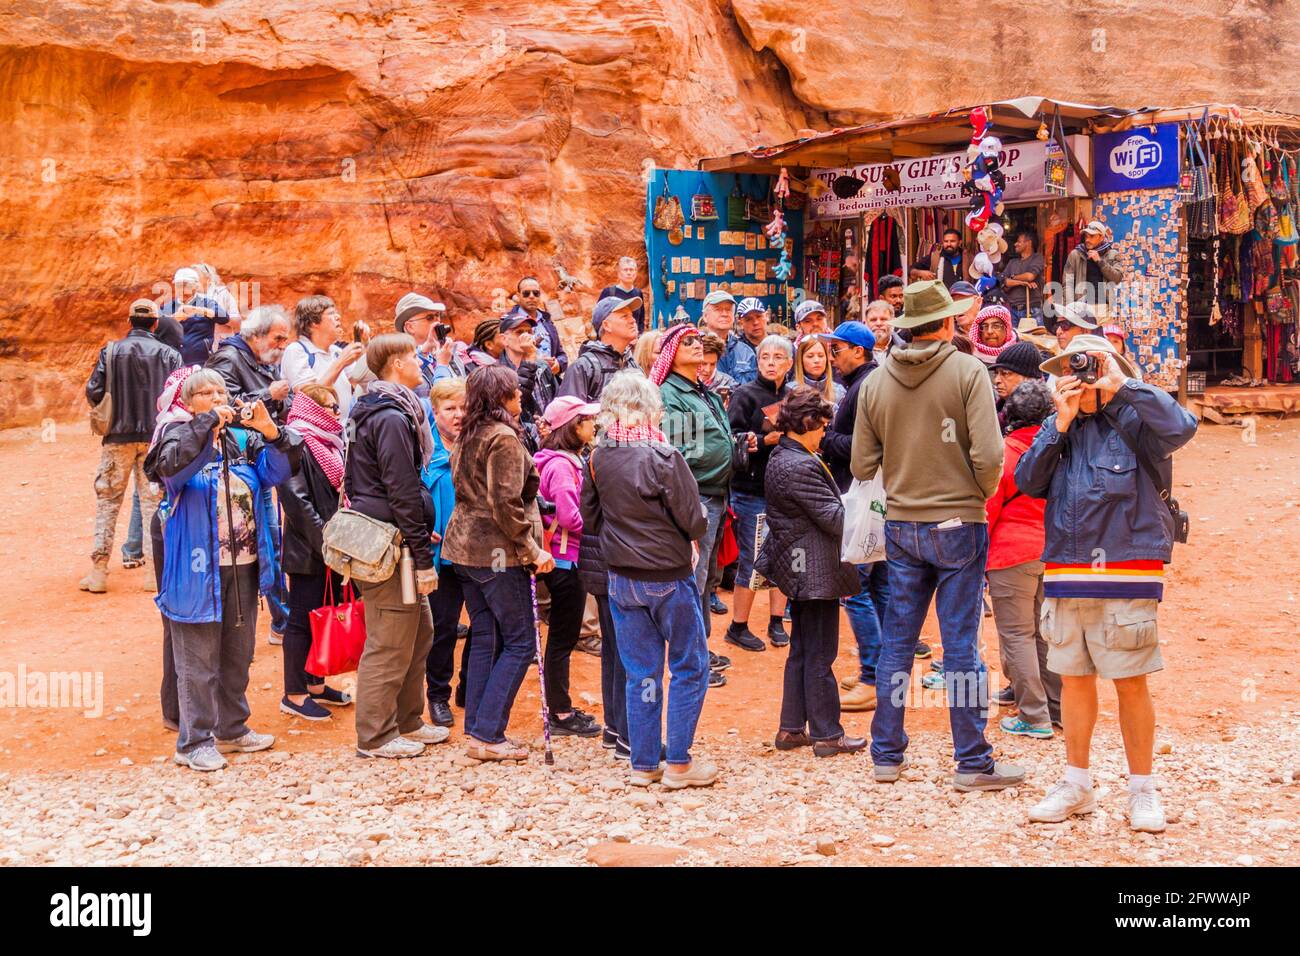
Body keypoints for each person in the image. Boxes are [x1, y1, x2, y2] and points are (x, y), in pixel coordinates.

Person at [1017, 334, 1197, 833]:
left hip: (1125, 567)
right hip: (1067, 571)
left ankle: (1142, 789)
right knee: (1074, 680)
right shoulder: (1060, 425)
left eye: (1090, 367)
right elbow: (1028, 481)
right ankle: (1077, 783)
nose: (1078, 376)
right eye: (1069, 368)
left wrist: (1123, 384)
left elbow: (1183, 426)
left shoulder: (1141, 418)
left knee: (1130, 680)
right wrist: (1061, 420)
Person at [852, 279, 1023, 791]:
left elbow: (862, 462)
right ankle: (971, 761)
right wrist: (974, 493)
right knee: (961, 647)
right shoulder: (969, 371)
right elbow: (990, 456)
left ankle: (886, 754)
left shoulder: (877, 382)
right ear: (947, 324)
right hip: (959, 523)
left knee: (897, 644)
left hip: (902, 524)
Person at [145, 369, 300, 771]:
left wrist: (270, 431)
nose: (216, 397)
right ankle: (193, 741)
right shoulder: (175, 436)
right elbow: (171, 468)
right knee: (197, 661)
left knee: (237, 653)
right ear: (187, 401)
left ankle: (232, 729)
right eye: (205, 393)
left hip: (243, 566)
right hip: (195, 571)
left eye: (221, 391)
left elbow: (281, 471)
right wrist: (207, 423)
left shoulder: (241, 442)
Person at [582, 370, 716, 788]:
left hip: (621, 577)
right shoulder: (662, 456)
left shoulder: (599, 456)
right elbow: (694, 521)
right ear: (649, 410)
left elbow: (590, 517)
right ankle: (678, 763)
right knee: (690, 665)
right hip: (668, 576)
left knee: (641, 671)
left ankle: (643, 763)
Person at [441, 365, 553, 762]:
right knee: (522, 642)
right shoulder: (503, 438)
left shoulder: (468, 433)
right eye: (514, 391)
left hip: (464, 549)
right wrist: (532, 549)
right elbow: (504, 502)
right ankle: (488, 734)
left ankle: (478, 728)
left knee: (487, 635)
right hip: (496, 552)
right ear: (499, 397)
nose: (520, 395)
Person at [345, 334, 449, 759]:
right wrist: (422, 553)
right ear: (394, 365)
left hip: (399, 536)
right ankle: (375, 736)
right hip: (392, 545)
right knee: (390, 638)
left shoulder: (382, 409)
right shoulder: (390, 417)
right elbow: (401, 489)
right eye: (412, 358)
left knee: (418, 631)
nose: (419, 364)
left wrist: (420, 529)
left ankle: (407, 720)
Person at [758, 385, 865, 757]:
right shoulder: (801, 463)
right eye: (820, 426)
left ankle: (791, 729)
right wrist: (866, 507)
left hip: (798, 565)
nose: (824, 433)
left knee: (803, 650)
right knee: (820, 653)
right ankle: (827, 734)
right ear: (806, 423)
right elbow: (836, 520)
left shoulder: (784, 456)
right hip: (816, 568)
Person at [817, 319, 896, 707]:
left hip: (863, 493)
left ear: (858, 351)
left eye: (837, 349)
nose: (832, 357)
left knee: (856, 586)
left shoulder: (866, 385)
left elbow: (864, 446)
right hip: (874, 494)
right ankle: (883, 672)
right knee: (878, 583)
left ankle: (873, 675)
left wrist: (825, 437)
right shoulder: (871, 382)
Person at [80, 299, 181, 593]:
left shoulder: (110, 351)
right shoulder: (170, 355)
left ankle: (99, 571)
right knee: (152, 504)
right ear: (155, 323)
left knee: (108, 502)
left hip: (117, 438)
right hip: (155, 439)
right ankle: (153, 574)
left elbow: (94, 390)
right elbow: (179, 397)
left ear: (130, 322)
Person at [656, 324, 734, 685]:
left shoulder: (704, 392)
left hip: (716, 494)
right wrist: (727, 461)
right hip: (697, 496)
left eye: (697, 340)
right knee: (692, 579)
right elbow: (678, 454)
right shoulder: (670, 394)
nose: (696, 345)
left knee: (704, 582)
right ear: (672, 353)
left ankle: (699, 650)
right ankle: (689, 663)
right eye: (687, 342)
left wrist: (737, 449)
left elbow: (714, 441)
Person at [984, 380, 1060, 738]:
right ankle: (1056, 707)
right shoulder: (1061, 449)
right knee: (1045, 633)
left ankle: (1033, 715)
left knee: (1017, 634)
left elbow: (990, 508)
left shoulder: (1005, 451)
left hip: (1011, 553)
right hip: (1053, 551)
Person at [276, 383, 354, 720]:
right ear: (313, 409)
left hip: (329, 545)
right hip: (310, 549)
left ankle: (316, 686)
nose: (337, 414)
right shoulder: (295, 444)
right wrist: (327, 543)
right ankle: (293, 694)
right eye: (331, 407)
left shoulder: (328, 443)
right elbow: (297, 502)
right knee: (301, 620)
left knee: (322, 614)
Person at [535, 396, 602, 737]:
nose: (593, 426)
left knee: (562, 636)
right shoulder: (562, 466)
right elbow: (568, 516)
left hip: (564, 558)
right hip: (564, 562)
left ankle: (559, 706)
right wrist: (601, 522)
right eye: (588, 420)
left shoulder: (565, 460)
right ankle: (559, 712)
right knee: (563, 637)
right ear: (573, 427)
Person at [725, 335, 794, 651]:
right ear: (756, 361)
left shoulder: (793, 396)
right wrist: (763, 440)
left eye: (778, 357)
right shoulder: (744, 394)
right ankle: (738, 626)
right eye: (765, 356)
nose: (770, 362)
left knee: (783, 557)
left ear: (789, 364)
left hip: (785, 489)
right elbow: (731, 439)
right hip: (752, 490)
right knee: (752, 560)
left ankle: (777, 621)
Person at [419, 378, 471, 727]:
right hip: (443, 555)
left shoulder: (478, 442)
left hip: (478, 550)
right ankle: (438, 695)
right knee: (443, 627)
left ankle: (471, 686)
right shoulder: (425, 451)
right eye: (450, 409)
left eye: (463, 407)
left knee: (485, 625)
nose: (458, 415)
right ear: (434, 412)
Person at [281, 295, 368, 420]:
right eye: (331, 313)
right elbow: (307, 399)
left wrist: (365, 345)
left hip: (343, 433)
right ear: (313, 322)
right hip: (313, 434)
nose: (338, 317)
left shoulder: (336, 351)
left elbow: (362, 381)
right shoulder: (296, 351)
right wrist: (341, 362)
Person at [205, 305, 292, 422]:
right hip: (241, 438)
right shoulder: (227, 359)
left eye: (285, 340)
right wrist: (269, 394)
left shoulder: (266, 357)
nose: (283, 346)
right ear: (256, 336)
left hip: (268, 434)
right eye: (278, 339)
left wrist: (279, 401)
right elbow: (221, 408)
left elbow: (288, 405)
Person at [498, 310, 558, 451]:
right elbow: (515, 402)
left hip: (550, 441)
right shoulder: (499, 374)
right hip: (522, 446)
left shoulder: (543, 367)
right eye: (519, 332)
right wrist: (530, 358)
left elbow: (556, 400)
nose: (526, 336)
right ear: (504, 339)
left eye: (529, 332)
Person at [559, 296, 640, 402]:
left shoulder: (632, 364)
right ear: (606, 325)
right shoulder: (584, 367)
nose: (633, 320)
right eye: (625, 316)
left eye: (632, 315)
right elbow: (566, 414)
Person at [160, 266, 233, 366]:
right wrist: (173, 319)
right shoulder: (167, 307)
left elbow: (224, 317)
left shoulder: (206, 303)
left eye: (186, 285)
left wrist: (197, 310)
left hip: (201, 362)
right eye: (178, 285)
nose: (181, 289)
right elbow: (156, 328)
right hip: (174, 362)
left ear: (195, 286)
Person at [395, 293, 461, 387]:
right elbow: (441, 397)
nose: (437, 321)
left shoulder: (446, 351)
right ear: (410, 327)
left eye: (437, 315)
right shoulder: (401, 362)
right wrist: (442, 364)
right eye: (429, 318)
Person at [1062, 220, 1123, 320]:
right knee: (1082, 336)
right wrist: (1070, 307)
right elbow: (1067, 283)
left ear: (1102, 237)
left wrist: (1100, 261)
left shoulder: (1112, 254)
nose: (1087, 239)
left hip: (1104, 308)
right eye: (1086, 236)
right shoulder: (1075, 254)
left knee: (1103, 336)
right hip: (1081, 307)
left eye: (1092, 236)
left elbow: (1117, 278)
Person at [506, 276, 566, 376]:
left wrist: (558, 365)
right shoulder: (508, 322)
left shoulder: (547, 321)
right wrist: (537, 362)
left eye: (536, 293)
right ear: (518, 295)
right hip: (522, 381)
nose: (532, 296)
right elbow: (504, 357)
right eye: (526, 293)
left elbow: (561, 354)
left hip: (549, 383)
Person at [1000, 230, 1046, 326]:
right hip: (1013, 310)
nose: (1015, 244)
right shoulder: (1012, 262)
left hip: (1031, 309)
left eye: (1019, 241)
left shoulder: (1037, 258)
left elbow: (1030, 276)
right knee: (1014, 340)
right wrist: (1021, 283)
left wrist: (1013, 278)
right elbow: (1004, 284)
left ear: (1029, 243)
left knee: (1033, 340)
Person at [719, 297, 768, 385]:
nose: (755, 322)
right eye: (749, 319)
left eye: (759, 316)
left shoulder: (779, 345)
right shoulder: (733, 349)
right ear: (740, 323)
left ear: (766, 316)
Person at [793, 335, 844, 408]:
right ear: (801, 360)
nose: (816, 360)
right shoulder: (790, 390)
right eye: (810, 356)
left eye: (821, 355)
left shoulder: (839, 391)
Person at [598, 256, 647, 333]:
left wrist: (638, 335)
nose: (629, 273)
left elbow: (641, 320)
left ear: (636, 273)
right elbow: (598, 318)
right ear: (619, 273)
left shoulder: (638, 293)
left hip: (634, 341)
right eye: (625, 270)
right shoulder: (609, 292)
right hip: (614, 340)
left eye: (631, 270)